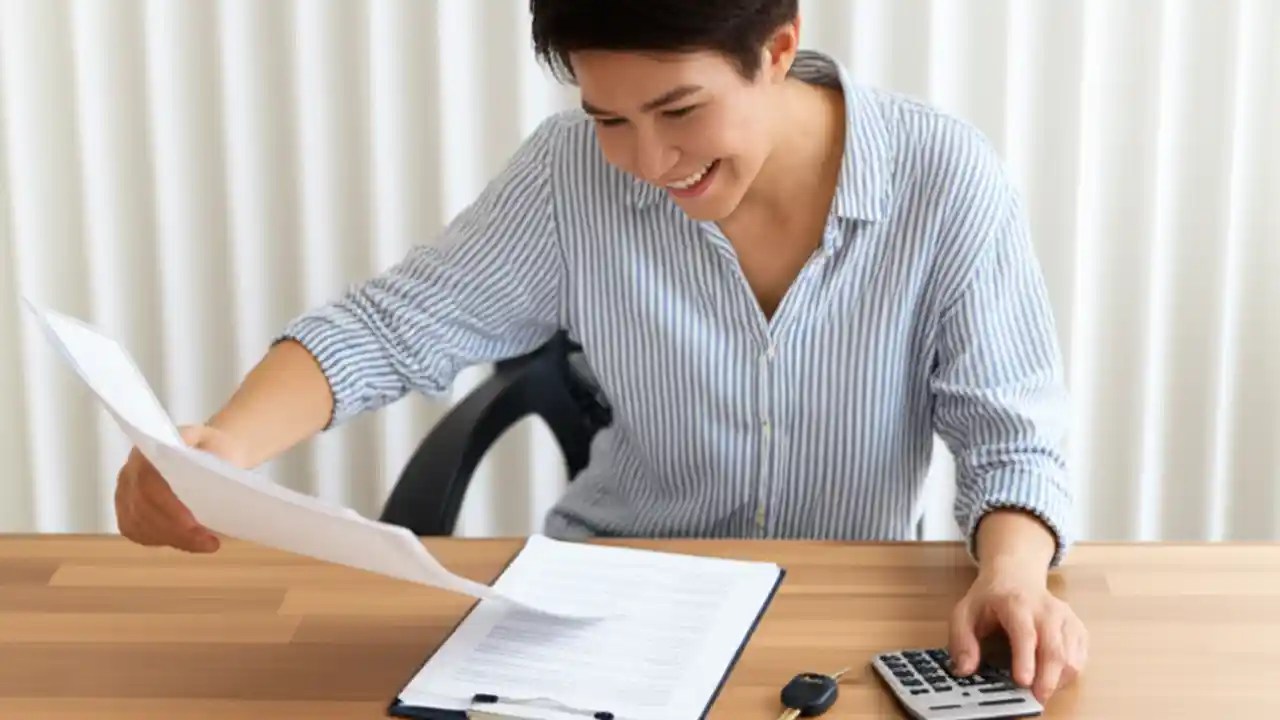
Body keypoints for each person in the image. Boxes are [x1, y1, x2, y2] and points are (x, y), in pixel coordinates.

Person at [113, 0, 1086, 705]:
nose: (649, 161)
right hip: (606, 604)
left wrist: (1010, 573)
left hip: (834, 613)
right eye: (608, 119)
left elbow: (1011, 434)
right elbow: (389, 327)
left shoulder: (941, 178)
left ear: (778, 49)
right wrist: (225, 449)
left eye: (679, 111)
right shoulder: (566, 176)